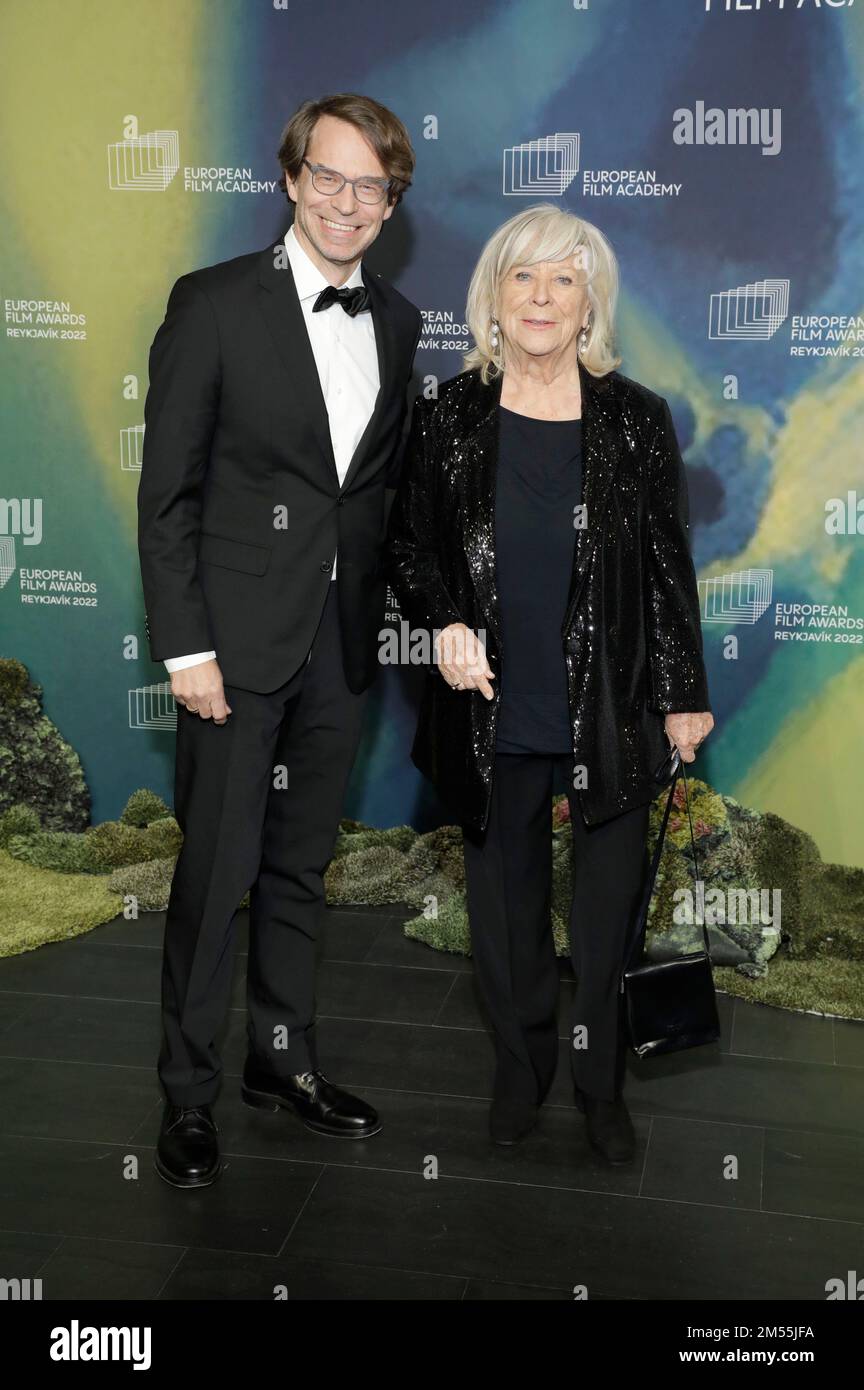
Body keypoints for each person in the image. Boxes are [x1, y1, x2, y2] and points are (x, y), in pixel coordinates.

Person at [384, 204, 714, 1165]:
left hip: (611, 708)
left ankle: (603, 1089)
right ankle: (519, 1073)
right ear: (493, 296)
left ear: (588, 304)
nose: (541, 297)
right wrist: (443, 617)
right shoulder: (447, 416)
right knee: (507, 917)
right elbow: (407, 545)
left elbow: (665, 569)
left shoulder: (636, 420)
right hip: (492, 709)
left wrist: (682, 691)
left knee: (607, 923)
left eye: (563, 280)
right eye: (523, 277)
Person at [137, 93, 422, 1188]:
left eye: (373, 187)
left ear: (390, 205)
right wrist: (184, 648)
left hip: (341, 651)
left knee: (301, 868)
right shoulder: (211, 305)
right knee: (216, 875)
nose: (350, 202)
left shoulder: (396, 326)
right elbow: (169, 498)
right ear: (292, 178)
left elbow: (377, 500)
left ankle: (282, 1060)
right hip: (232, 652)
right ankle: (187, 1094)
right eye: (331, 176)